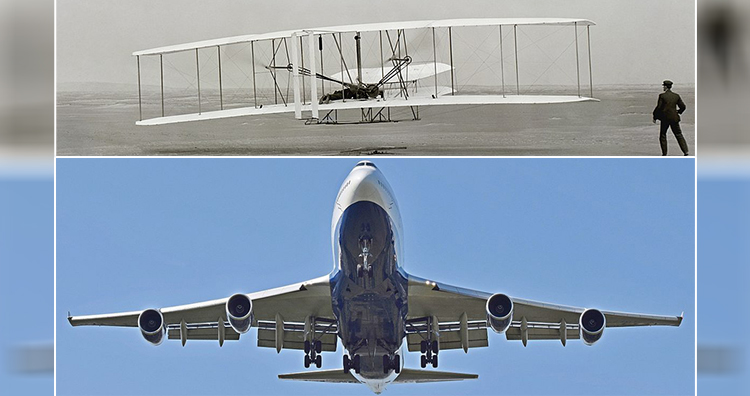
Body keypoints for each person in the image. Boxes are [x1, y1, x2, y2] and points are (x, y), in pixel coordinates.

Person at [652, 80, 689, 156]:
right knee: (678, 134)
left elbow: (659, 107)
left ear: (665, 87)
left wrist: (655, 116)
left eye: (663, 86)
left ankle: (664, 154)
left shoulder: (662, 96)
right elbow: (683, 106)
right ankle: (686, 151)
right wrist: (678, 112)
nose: (663, 87)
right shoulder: (676, 96)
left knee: (663, 135)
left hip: (665, 119)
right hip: (674, 118)